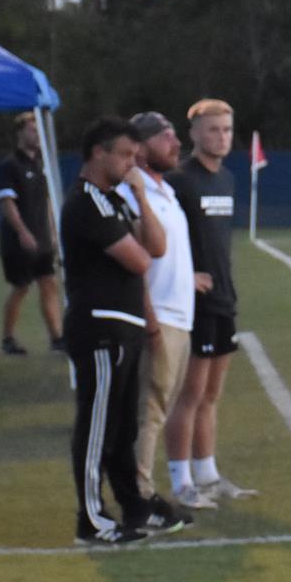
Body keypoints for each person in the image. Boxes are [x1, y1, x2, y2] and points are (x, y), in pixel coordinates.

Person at [62, 117, 192, 545]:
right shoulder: (87, 201)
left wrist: (138, 191)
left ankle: (133, 506)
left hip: (127, 326)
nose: (130, 163)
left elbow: (155, 246)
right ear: (98, 152)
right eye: (123, 155)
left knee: (122, 430)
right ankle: (92, 519)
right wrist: (134, 243)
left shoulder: (115, 199)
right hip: (100, 326)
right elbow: (139, 262)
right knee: (97, 426)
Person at [165, 98, 255, 508]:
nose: (222, 137)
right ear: (194, 134)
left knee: (212, 395)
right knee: (190, 395)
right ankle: (181, 481)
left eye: (227, 130)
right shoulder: (179, 180)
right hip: (193, 304)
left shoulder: (228, 181)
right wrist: (185, 279)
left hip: (223, 299)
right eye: (214, 129)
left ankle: (208, 475)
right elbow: (160, 241)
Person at [118, 112, 195, 504]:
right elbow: (139, 262)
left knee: (158, 410)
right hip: (159, 316)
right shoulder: (134, 193)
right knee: (148, 412)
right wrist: (148, 318)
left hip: (179, 317)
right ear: (142, 147)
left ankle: (143, 490)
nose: (175, 144)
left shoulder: (166, 191)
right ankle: (139, 496)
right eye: (166, 138)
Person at [0, 113, 62, 355]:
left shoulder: (40, 164)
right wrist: (22, 231)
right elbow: (7, 203)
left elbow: (47, 201)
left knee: (49, 283)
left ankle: (56, 337)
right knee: (20, 287)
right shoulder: (10, 166)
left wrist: (53, 232)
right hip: (18, 241)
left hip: (42, 238)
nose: (37, 135)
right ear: (20, 133)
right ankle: (8, 338)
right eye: (33, 130)